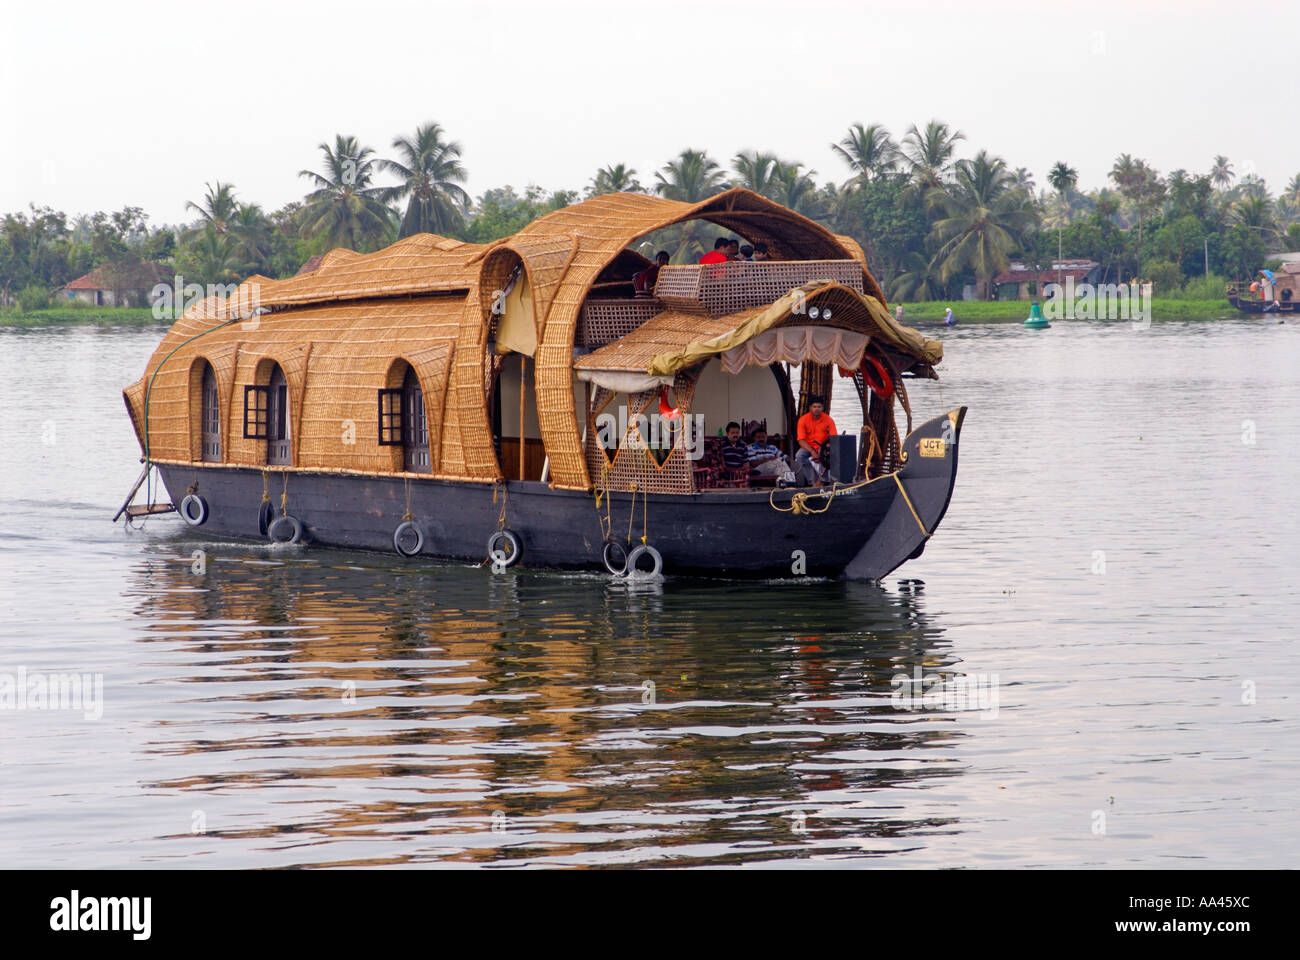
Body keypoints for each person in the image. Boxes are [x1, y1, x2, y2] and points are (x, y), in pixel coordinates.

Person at [794, 397, 837, 487]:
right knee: (799, 456)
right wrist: (812, 452)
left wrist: (822, 452)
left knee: (830, 456)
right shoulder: (803, 420)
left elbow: (834, 438)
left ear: (822, 408)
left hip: (823, 446)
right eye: (814, 406)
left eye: (819, 407)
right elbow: (801, 440)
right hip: (808, 447)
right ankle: (813, 481)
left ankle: (825, 481)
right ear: (810, 407)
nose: (816, 409)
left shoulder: (829, 420)